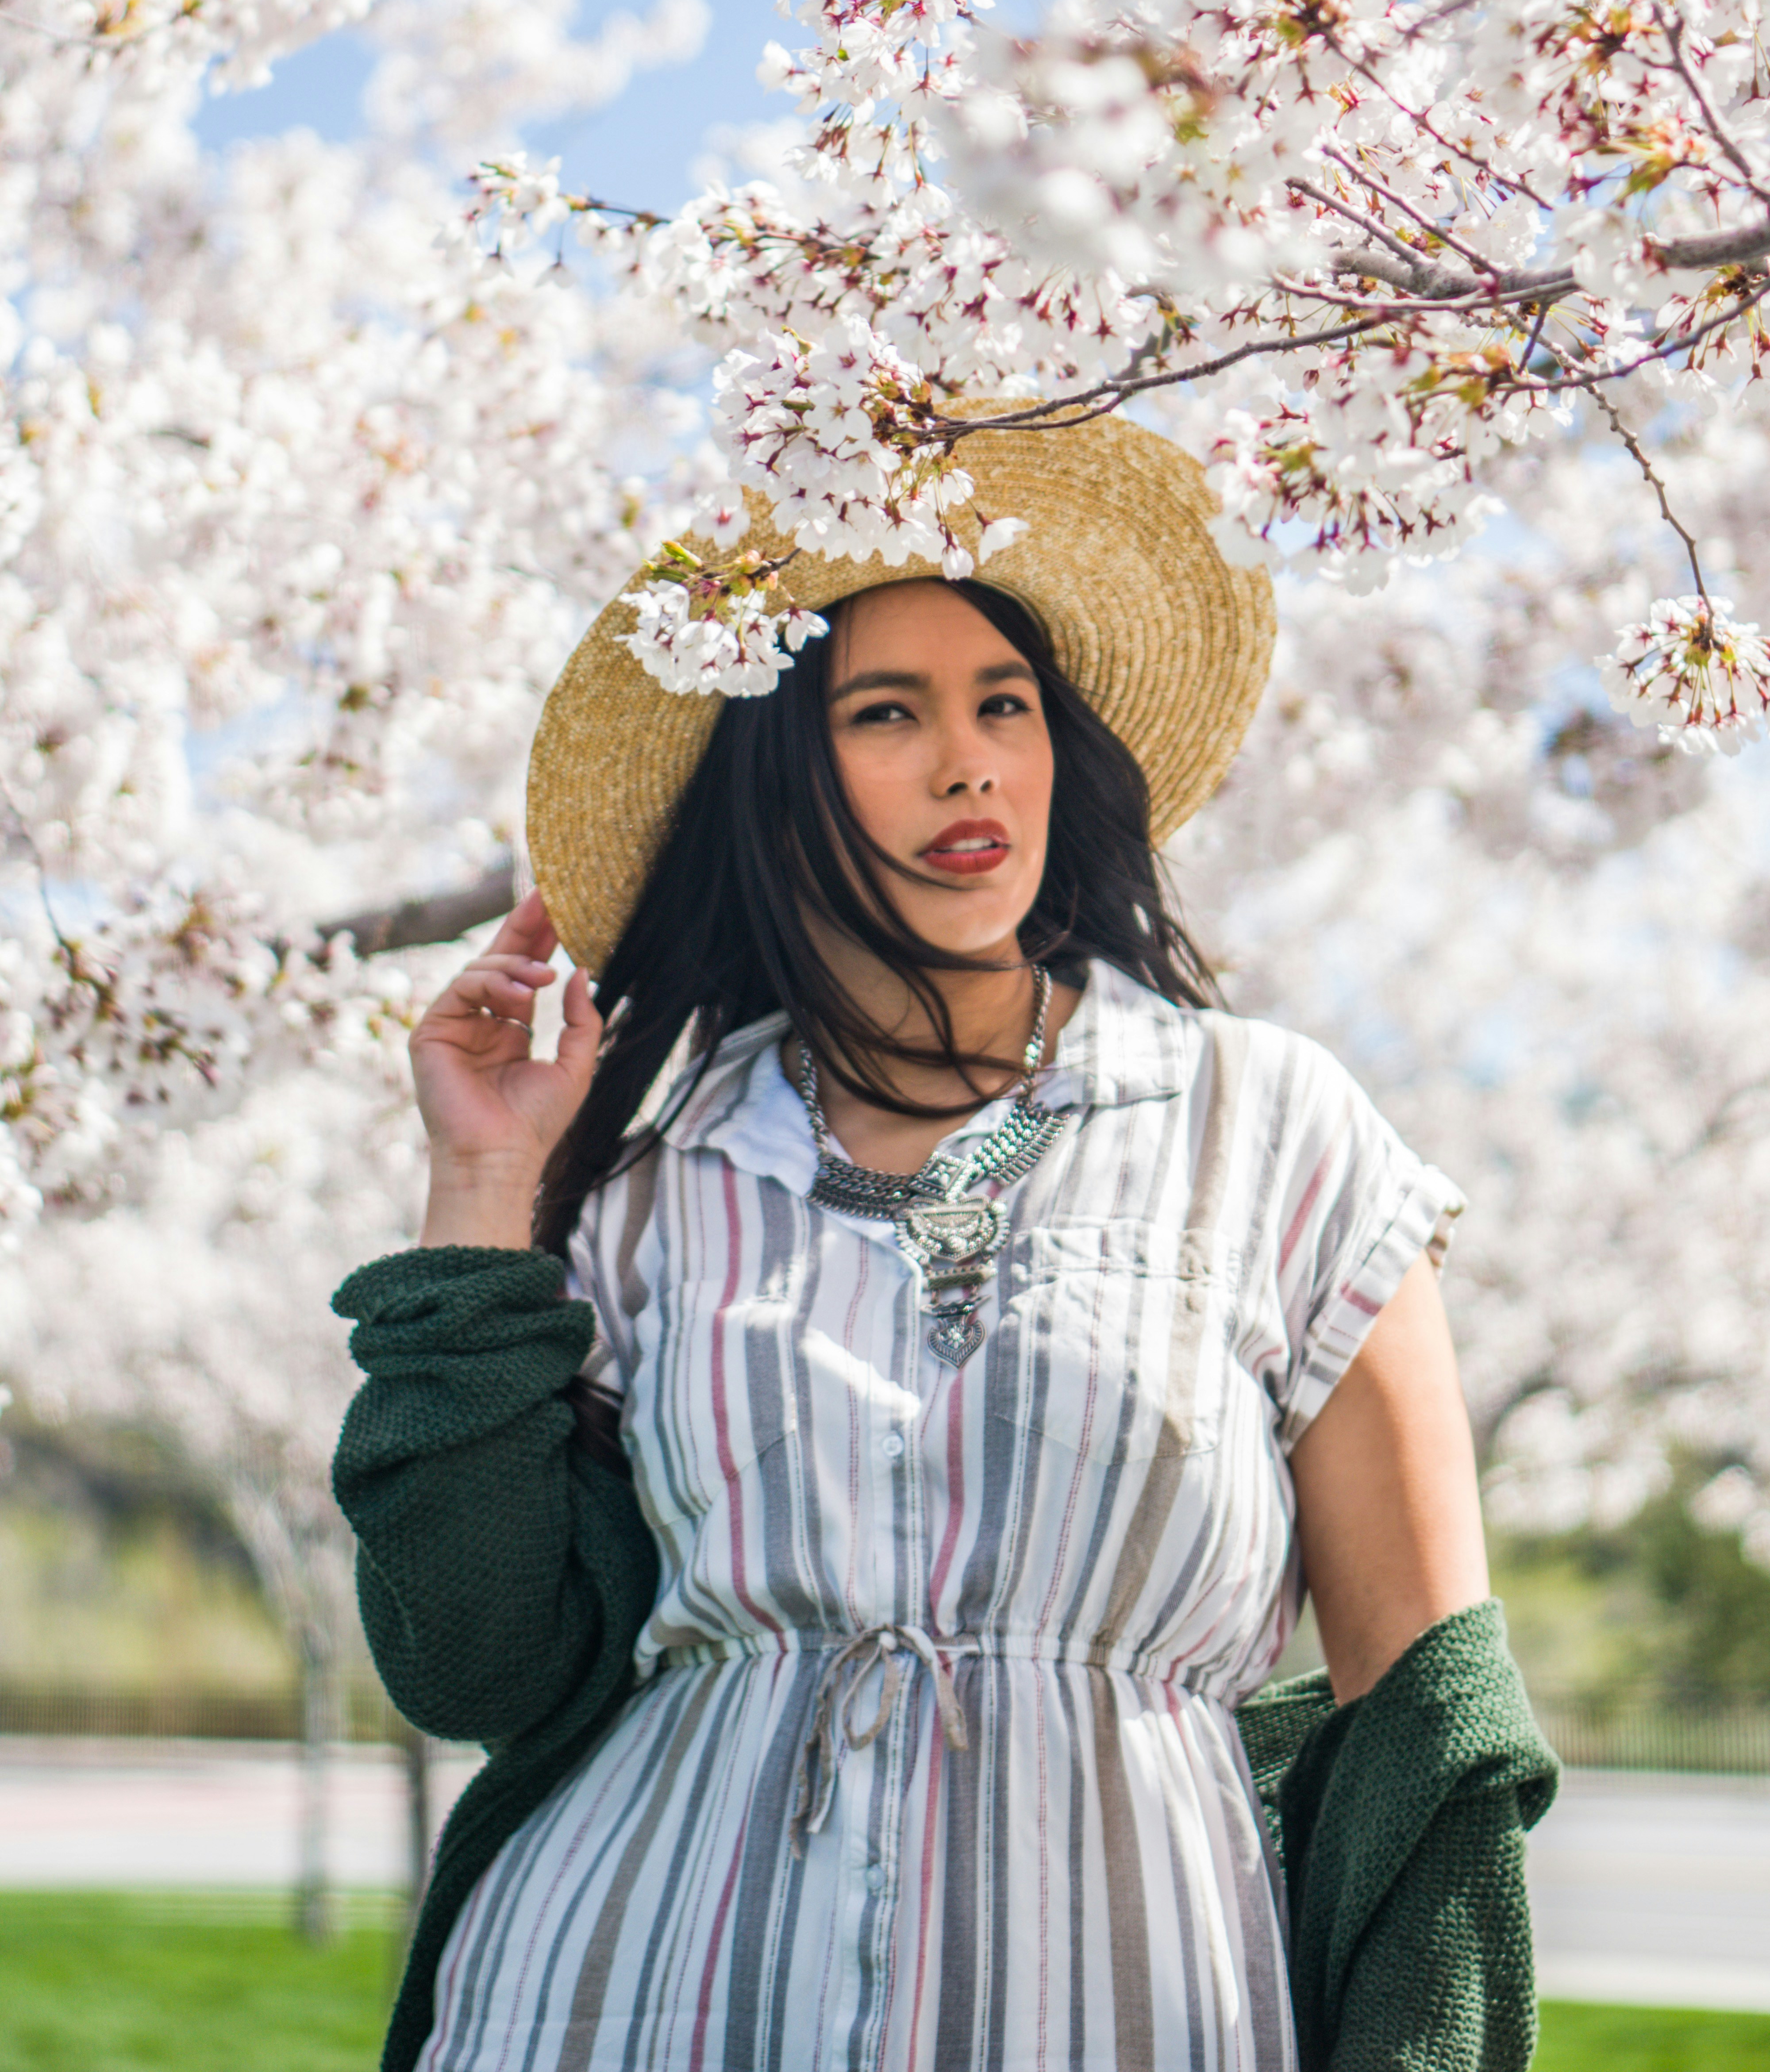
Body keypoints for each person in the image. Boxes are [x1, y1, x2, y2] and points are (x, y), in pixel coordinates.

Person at [331, 414, 1557, 2072]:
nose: (970, 761)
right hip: (629, 1999)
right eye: (886, 715)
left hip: (1129, 2011)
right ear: (775, 791)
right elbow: (469, 1665)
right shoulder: (645, 1191)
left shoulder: (1275, 1130)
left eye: (1004, 705)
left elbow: (1431, 1727)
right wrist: (483, 1197)